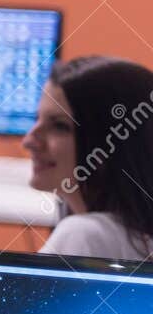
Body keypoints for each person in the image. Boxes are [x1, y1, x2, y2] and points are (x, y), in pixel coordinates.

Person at [27, 56, 153, 260]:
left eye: (59, 126)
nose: (29, 140)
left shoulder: (84, 235)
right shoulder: (135, 237)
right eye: (37, 119)